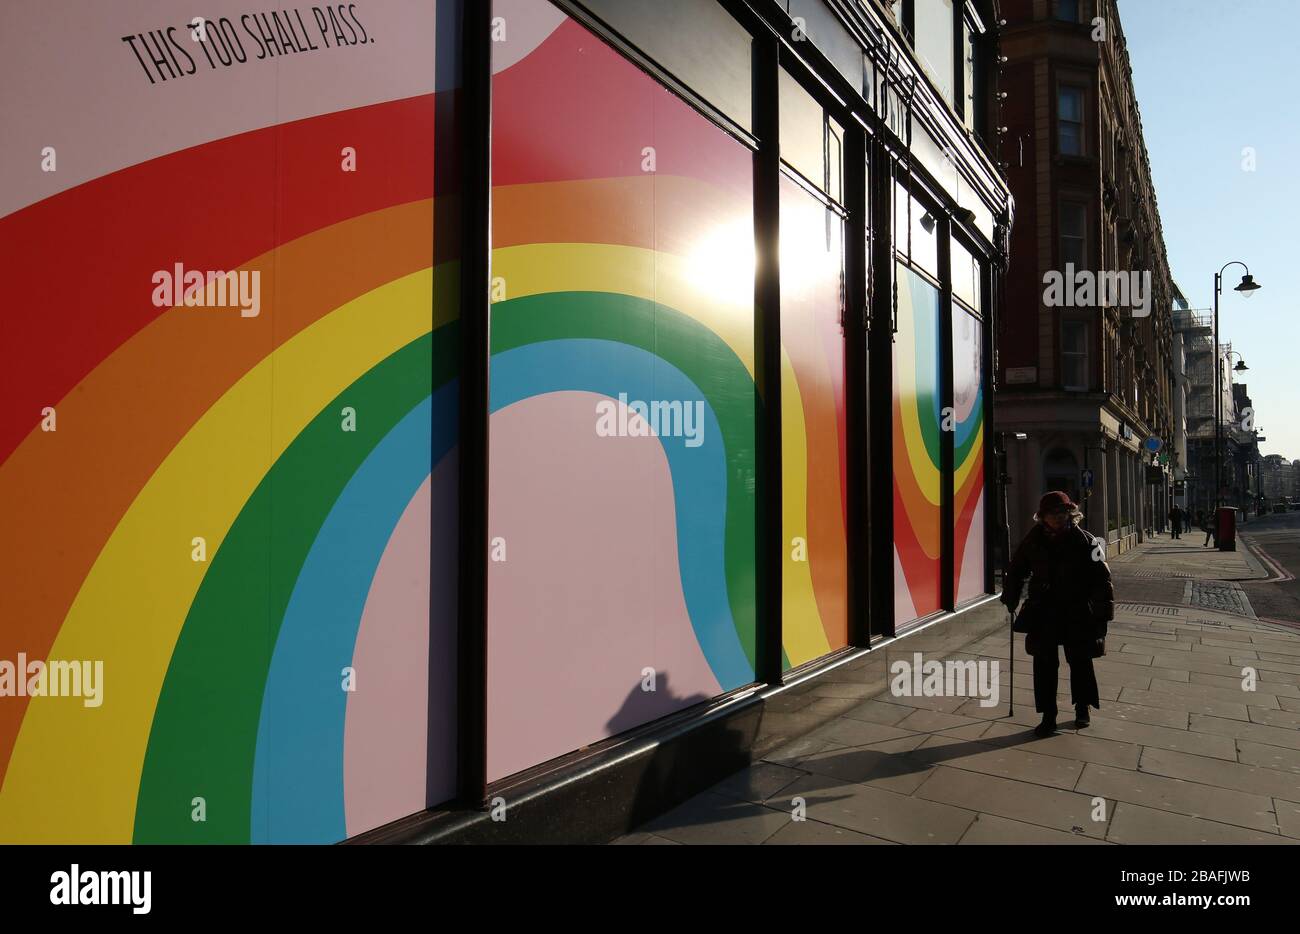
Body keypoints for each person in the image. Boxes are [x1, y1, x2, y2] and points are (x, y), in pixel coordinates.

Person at [1001, 491, 1114, 737]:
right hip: (1044, 609)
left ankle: (1082, 707)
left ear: (1071, 514)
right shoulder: (1033, 541)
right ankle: (1048, 714)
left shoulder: (1087, 540)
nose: (1059, 518)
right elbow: (1016, 569)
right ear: (1042, 517)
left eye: (1063, 513)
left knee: (1080, 661)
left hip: (1077, 608)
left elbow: (1102, 579)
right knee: (1044, 663)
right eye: (1053, 514)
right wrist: (1010, 597)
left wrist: (1103, 614)